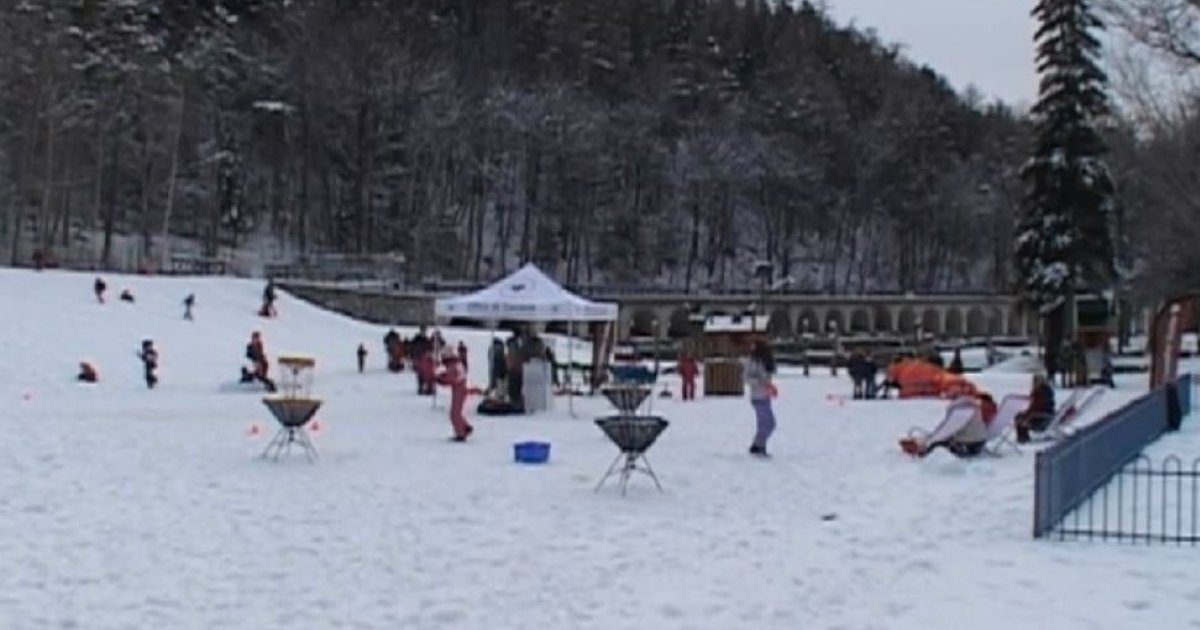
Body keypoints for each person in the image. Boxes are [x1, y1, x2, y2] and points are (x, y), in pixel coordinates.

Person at [744, 339, 777, 457]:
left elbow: (767, 377)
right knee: (765, 424)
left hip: (765, 396)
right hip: (757, 397)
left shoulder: (765, 360)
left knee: (770, 423)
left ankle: (759, 445)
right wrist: (759, 382)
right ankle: (757, 446)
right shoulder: (751, 361)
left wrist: (771, 387)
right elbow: (746, 377)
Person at [435, 348, 474, 441]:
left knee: (454, 414)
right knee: (456, 412)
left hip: (458, 391)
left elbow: (451, 379)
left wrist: (439, 379)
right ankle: (465, 426)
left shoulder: (453, 366)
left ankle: (461, 433)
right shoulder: (457, 364)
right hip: (460, 389)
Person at [1015, 374, 1056, 443]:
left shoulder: (1042, 392)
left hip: (1041, 418)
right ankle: (1023, 437)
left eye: (1035, 381)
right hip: (1041, 415)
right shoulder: (1043, 391)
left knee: (1020, 418)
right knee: (1019, 416)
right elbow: (1034, 407)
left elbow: (1038, 407)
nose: (1034, 383)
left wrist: (1026, 416)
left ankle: (1023, 438)